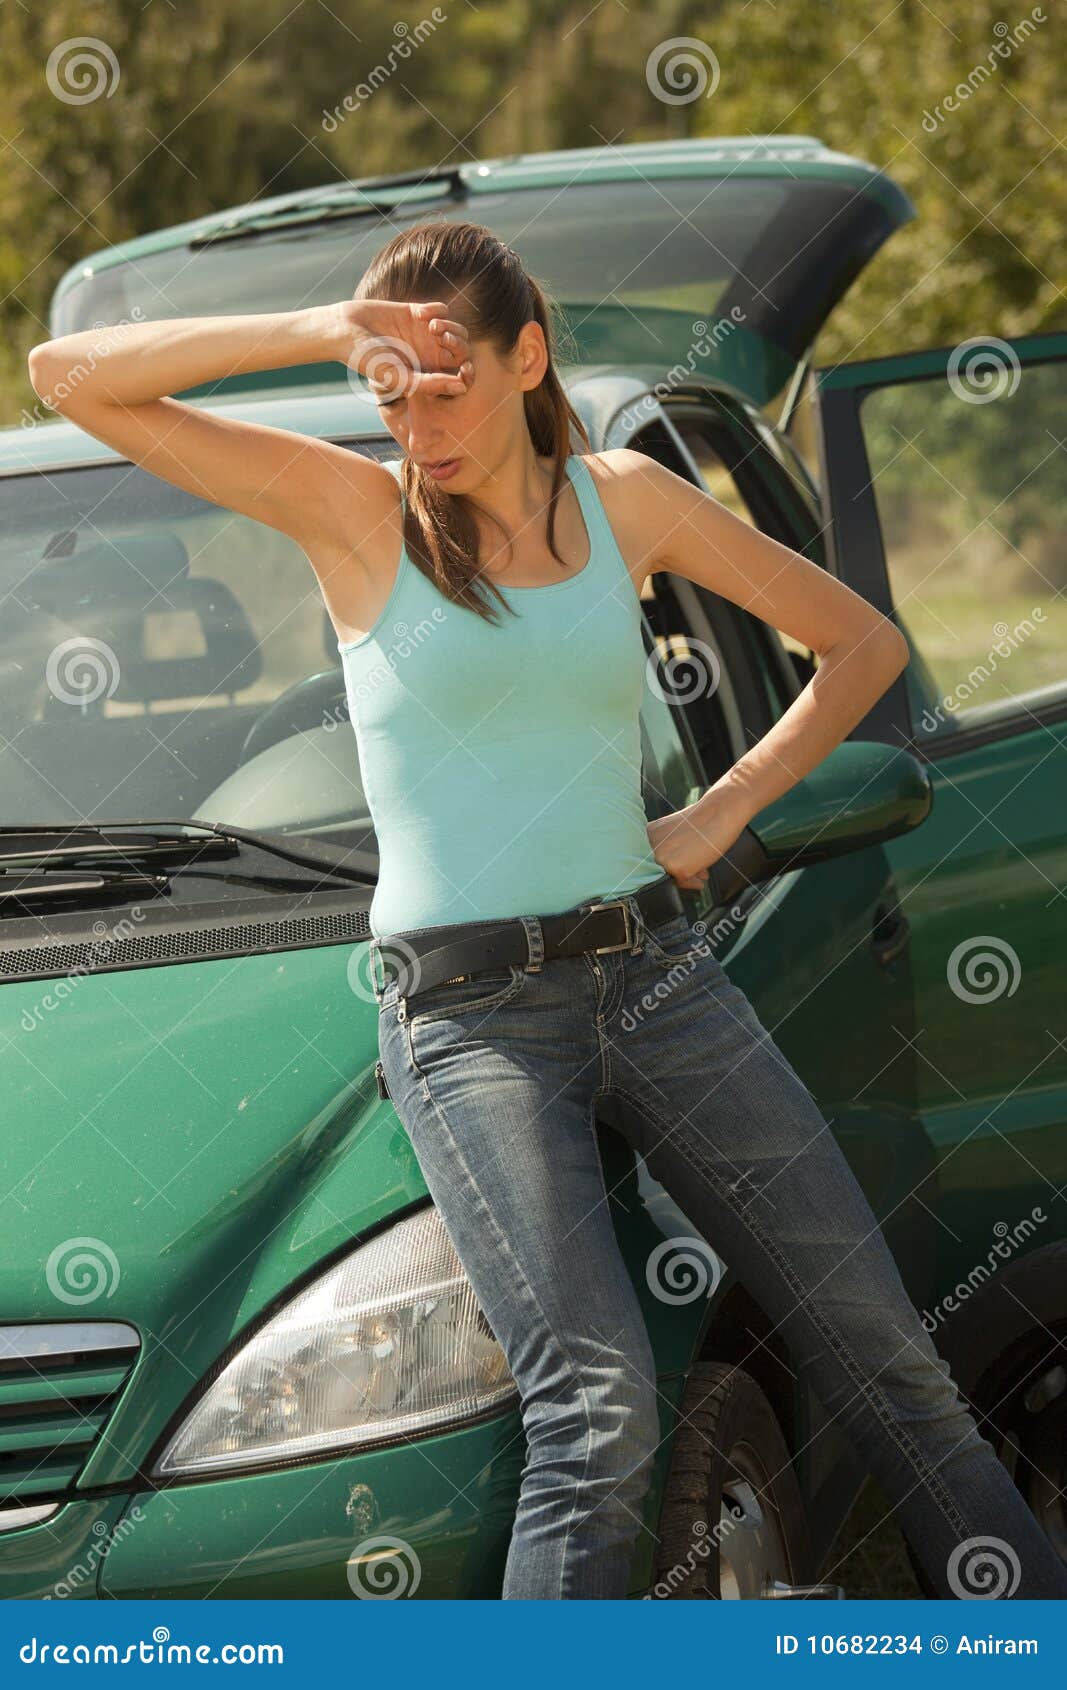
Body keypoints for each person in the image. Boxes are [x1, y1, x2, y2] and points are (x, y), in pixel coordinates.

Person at [27, 220, 1067, 1604]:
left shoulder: (623, 499)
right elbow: (70, 376)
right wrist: (325, 334)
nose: (420, 418)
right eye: (395, 391)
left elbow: (859, 646)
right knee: (595, 1405)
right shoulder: (358, 516)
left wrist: (718, 812)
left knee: (884, 1349)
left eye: (447, 381)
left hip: (659, 979)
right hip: (470, 1023)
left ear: (528, 357)